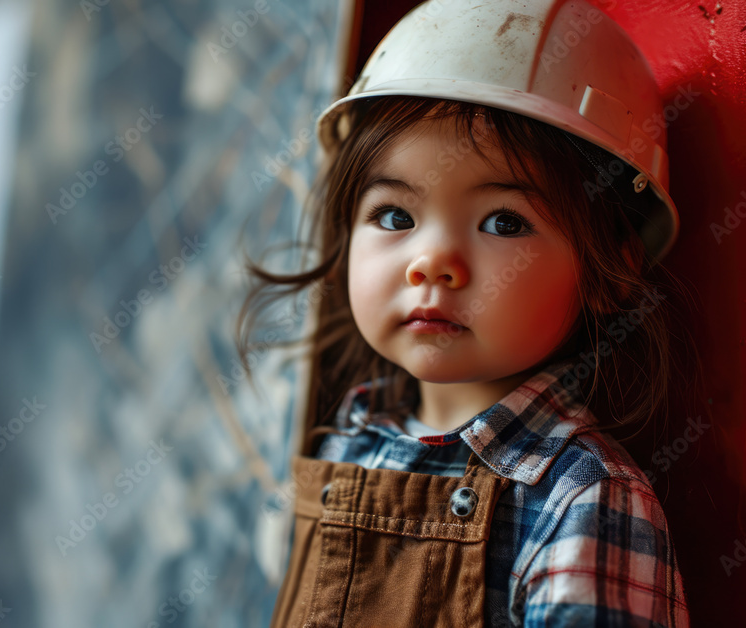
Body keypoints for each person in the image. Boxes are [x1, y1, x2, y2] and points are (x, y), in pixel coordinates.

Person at [236, 0, 704, 625]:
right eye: (394, 216)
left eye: (503, 221)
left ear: (608, 272)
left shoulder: (580, 499)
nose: (432, 262)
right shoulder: (342, 446)